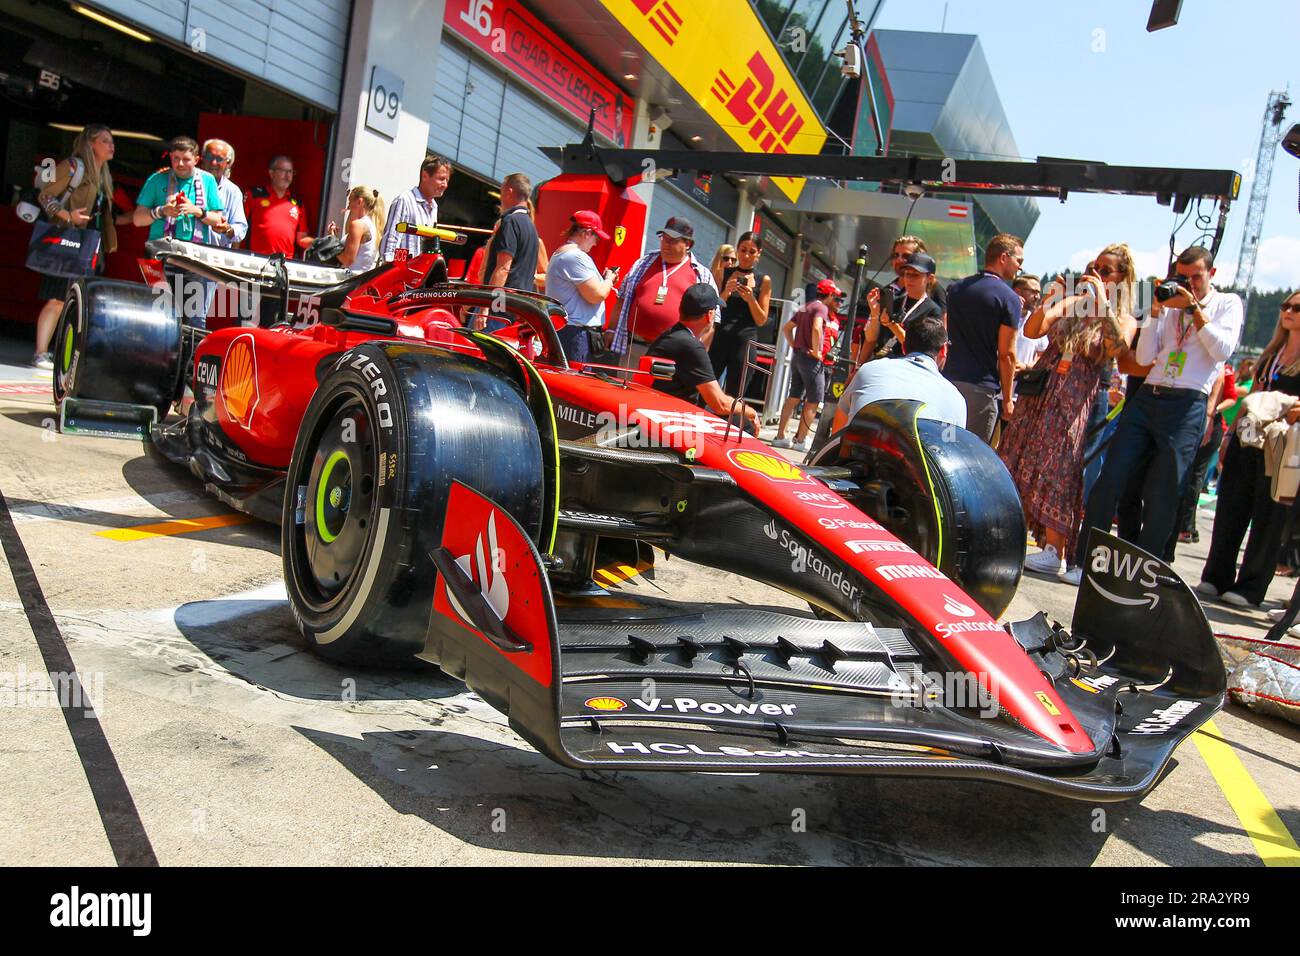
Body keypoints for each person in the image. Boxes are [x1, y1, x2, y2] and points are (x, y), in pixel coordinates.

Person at [1067, 246, 1243, 585]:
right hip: (1150, 393)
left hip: (1188, 399)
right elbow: (1146, 355)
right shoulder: (1168, 307)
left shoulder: (1226, 303)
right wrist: (1158, 313)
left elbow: (1222, 350)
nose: (1188, 284)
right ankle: (1085, 561)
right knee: (1110, 479)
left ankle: (1145, 572)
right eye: (1183, 277)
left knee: (1163, 490)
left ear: (1211, 274)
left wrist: (1194, 309)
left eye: (1195, 277)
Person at [1001, 245, 1138, 576]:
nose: (1097, 274)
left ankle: (1055, 549)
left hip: (1075, 396)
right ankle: (1009, 531)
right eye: (1095, 267)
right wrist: (1055, 297)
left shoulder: (1123, 317)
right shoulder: (1073, 304)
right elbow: (1033, 330)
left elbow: (1116, 349)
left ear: (1123, 278)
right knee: (1018, 455)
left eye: (1106, 271)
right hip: (1042, 389)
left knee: (1059, 465)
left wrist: (1102, 303)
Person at [1198, 291, 1300, 606]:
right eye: (1286, 306)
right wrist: (1229, 439)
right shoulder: (1272, 355)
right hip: (1249, 434)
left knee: (1270, 515)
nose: (1288, 312)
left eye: (1296, 308)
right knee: (1231, 505)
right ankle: (1217, 575)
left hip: (1281, 444)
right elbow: (1250, 397)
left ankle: (1251, 586)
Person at [31, 123, 120, 369]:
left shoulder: (103, 174)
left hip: (91, 244)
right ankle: (40, 352)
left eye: (111, 141)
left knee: (79, 301)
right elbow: (45, 195)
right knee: (58, 298)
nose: (111, 145)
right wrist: (67, 216)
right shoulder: (73, 166)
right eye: (105, 140)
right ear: (90, 144)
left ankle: (64, 355)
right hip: (69, 239)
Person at [942, 234, 1025, 443]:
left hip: (948, 384)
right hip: (980, 390)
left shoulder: (956, 289)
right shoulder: (1008, 298)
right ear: (1004, 257)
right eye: (1019, 261)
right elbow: (1007, 354)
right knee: (971, 454)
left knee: (945, 445)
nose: (1020, 268)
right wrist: (1007, 400)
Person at [646, 283, 759, 433]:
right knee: (743, 424)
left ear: (681, 310)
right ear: (710, 315)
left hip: (658, 410)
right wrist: (750, 411)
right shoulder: (691, 347)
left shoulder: (670, 336)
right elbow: (720, 404)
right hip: (674, 420)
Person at [610, 217, 719, 367]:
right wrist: (611, 330)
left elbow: (711, 322)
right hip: (634, 347)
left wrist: (698, 355)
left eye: (672, 240)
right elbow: (621, 298)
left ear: (688, 244)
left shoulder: (702, 274)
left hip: (673, 355)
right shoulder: (644, 263)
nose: (665, 243)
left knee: (656, 391)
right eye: (663, 238)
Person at [832, 313, 966, 433]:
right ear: (943, 350)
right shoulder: (956, 399)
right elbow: (949, 448)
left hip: (856, 457)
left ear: (903, 347)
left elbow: (838, 429)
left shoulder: (870, 370)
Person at [772, 279, 839, 451]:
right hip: (811, 359)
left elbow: (786, 328)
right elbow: (817, 328)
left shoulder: (806, 306)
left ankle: (780, 436)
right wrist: (817, 351)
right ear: (830, 294)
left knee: (793, 396)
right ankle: (800, 440)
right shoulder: (821, 308)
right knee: (814, 399)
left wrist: (794, 344)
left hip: (798, 356)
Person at [544, 210, 619, 362]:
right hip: (575, 333)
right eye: (596, 237)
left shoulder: (564, 253)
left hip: (568, 330)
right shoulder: (576, 256)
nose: (596, 242)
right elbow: (596, 295)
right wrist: (609, 280)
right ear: (587, 233)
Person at [708, 231, 772, 395]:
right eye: (743, 250)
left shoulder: (763, 280)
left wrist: (751, 298)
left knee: (735, 394)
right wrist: (726, 293)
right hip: (720, 337)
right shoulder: (724, 272)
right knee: (707, 388)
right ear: (737, 250)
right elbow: (711, 309)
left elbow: (761, 320)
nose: (746, 256)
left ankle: (728, 421)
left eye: (752, 252)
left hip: (744, 341)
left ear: (759, 254)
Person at [132, 135, 224, 243]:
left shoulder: (208, 180)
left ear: (196, 160)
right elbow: (137, 220)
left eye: (186, 159)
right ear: (170, 157)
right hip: (161, 250)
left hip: (195, 251)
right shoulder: (157, 179)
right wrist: (162, 211)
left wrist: (196, 211)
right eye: (176, 158)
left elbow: (218, 220)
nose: (180, 164)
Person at [860, 252, 944, 362]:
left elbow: (920, 350)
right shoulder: (893, 301)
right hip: (880, 363)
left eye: (915, 275)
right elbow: (871, 339)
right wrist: (875, 314)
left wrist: (893, 326)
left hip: (906, 368)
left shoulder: (933, 311)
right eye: (907, 274)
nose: (909, 279)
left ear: (930, 278)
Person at [380, 154, 452, 261]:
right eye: (441, 179)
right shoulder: (405, 200)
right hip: (401, 273)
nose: (445, 185)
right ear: (425, 175)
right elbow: (389, 247)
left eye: (447, 180)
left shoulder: (434, 207)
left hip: (418, 274)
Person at [246, 154, 314, 257]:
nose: (287, 176)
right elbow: (239, 228)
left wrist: (320, 243)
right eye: (283, 171)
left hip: (284, 265)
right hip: (256, 260)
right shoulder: (254, 195)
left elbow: (301, 239)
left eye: (290, 172)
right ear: (271, 173)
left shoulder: (298, 204)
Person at [200, 139, 247, 249]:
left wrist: (227, 229)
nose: (213, 163)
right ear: (202, 158)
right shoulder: (189, 181)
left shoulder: (233, 191)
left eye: (219, 159)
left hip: (215, 255)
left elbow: (241, 228)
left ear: (228, 163)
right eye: (209, 157)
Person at [328, 185, 384, 271]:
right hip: (361, 278)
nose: (348, 205)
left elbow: (347, 260)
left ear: (359, 202)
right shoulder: (371, 225)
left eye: (350, 200)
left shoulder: (358, 225)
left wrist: (331, 242)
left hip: (350, 279)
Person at [1012, 275, 1048, 373]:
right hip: (991, 383)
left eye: (1038, 293)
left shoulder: (1036, 322)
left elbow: (1043, 354)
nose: (1037, 297)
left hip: (1022, 385)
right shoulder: (1000, 317)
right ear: (1017, 292)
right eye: (1033, 292)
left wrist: (1027, 367)